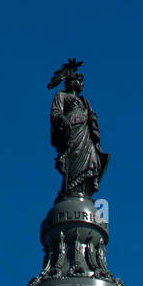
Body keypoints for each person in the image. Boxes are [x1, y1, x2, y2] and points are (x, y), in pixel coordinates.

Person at [46, 59, 109, 198]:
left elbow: (91, 116)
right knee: (73, 161)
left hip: (85, 134)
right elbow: (55, 112)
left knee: (92, 159)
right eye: (80, 81)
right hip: (71, 133)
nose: (82, 84)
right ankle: (70, 191)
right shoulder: (61, 96)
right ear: (72, 82)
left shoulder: (84, 101)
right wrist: (63, 119)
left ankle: (84, 192)